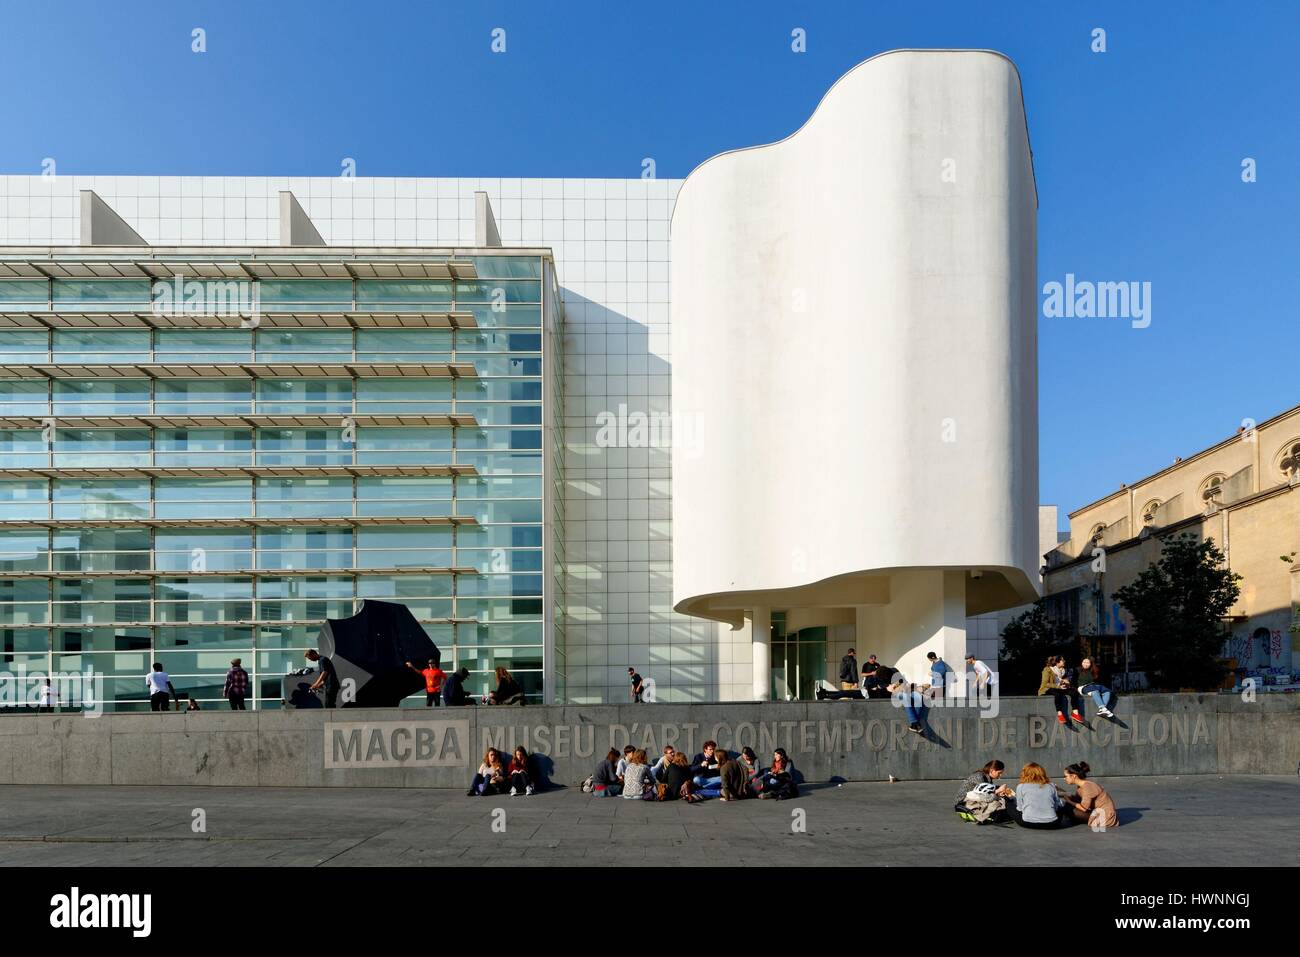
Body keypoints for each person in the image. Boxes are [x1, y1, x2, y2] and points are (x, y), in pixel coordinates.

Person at [1011, 762, 1072, 829]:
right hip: (1052, 823)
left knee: (1009, 804)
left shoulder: (1021, 786)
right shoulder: (1051, 785)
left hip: (1028, 822)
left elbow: (1020, 808)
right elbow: (1057, 805)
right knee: (1062, 805)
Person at [1063, 762, 1118, 829]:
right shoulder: (1080, 786)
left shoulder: (1087, 787)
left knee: (1070, 809)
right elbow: (1076, 799)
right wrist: (1061, 793)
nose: (1064, 778)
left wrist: (1069, 801)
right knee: (1068, 805)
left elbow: (1083, 808)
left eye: (1066, 776)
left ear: (1074, 776)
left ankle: (1076, 820)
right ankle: (1075, 819)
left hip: (1105, 817)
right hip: (1096, 811)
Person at [1038, 655, 1083, 724]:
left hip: (1059, 687)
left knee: (1074, 692)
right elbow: (1045, 683)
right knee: (1057, 694)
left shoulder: (1063, 671)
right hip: (1048, 688)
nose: (1064, 661)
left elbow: (1060, 681)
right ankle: (1059, 714)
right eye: (1062, 660)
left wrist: (1065, 683)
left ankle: (1075, 712)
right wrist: (1059, 686)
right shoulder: (1047, 669)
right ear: (1057, 662)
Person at [888, 669, 929, 734]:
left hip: (908, 691)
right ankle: (915, 723)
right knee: (905, 697)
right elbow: (891, 690)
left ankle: (915, 725)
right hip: (898, 693)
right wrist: (896, 685)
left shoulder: (897, 674)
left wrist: (907, 685)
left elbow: (905, 683)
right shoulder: (888, 680)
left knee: (918, 696)